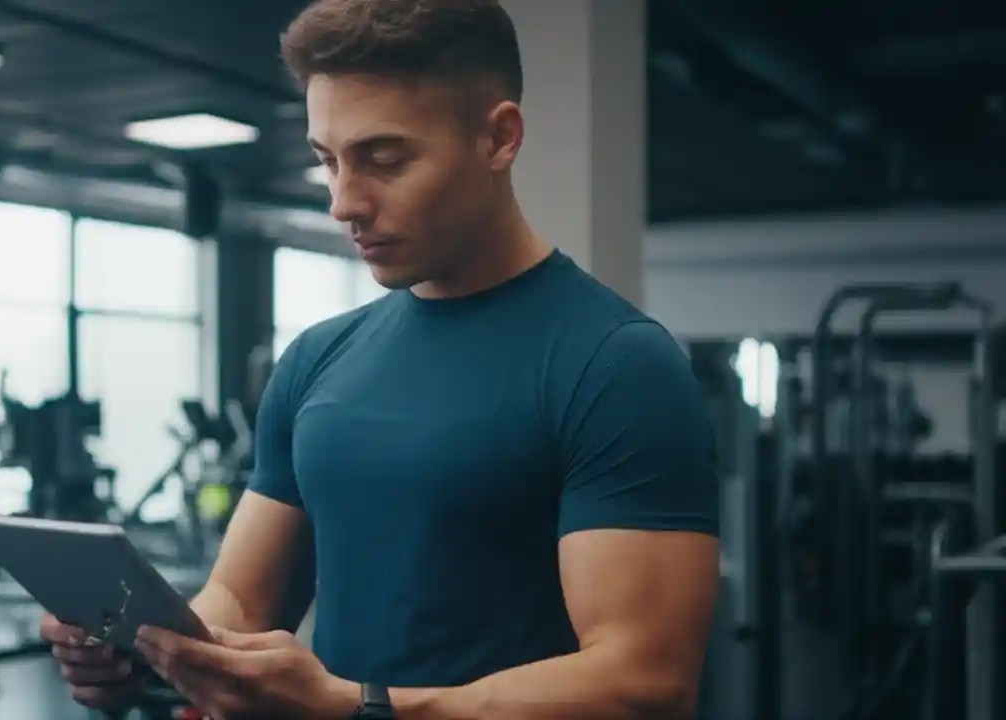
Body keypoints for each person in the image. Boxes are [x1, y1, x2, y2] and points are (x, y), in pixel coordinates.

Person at [43, 0, 720, 717]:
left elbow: (643, 681)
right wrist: (148, 649)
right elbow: (239, 598)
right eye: (328, 161)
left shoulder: (616, 365)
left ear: (499, 138)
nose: (343, 202)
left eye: (384, 159)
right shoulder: (315, 360)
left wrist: (362, 709)